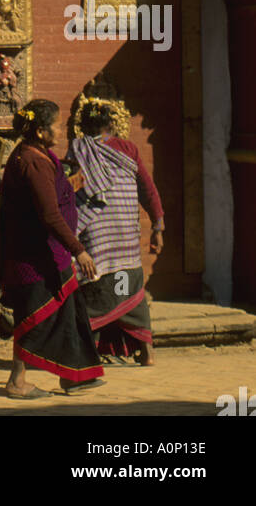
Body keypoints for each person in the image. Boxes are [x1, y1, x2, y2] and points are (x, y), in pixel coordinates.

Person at [0, 98, 104, 398]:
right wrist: (78, 249)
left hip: (47, 252)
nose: (61, 130)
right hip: (33, 256)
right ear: (42, 132)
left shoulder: (39, 155)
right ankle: (17, 381)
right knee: (33, 317)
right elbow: (49, 214)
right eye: (57, 125)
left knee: (67, 312)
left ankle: (74, 376)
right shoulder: (31, 162)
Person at [68, 99, 164, 366]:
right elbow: (148, 189)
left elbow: (73, 189)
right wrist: (157, 226)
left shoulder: (79, 149)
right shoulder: (129, 149)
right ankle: (147, 352)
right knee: (131, 288)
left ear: (83, 126)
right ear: (112, 124)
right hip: (125, 232)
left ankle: (88, 350)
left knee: (94, 287)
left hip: (97, 230)